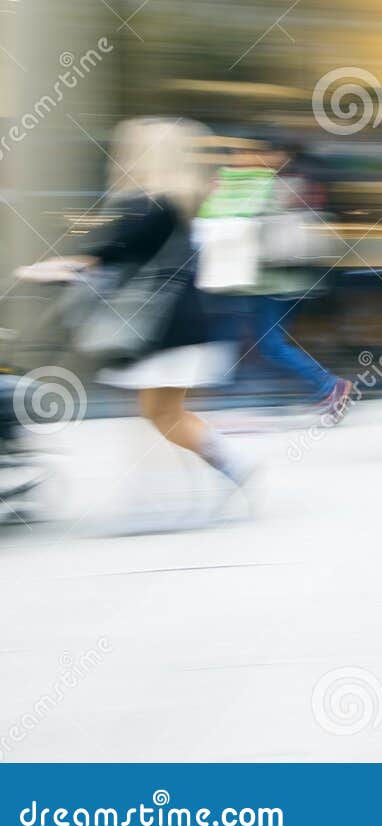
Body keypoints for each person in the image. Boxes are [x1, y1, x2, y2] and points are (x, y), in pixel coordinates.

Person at [49, 119, 254, 529]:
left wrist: (61, 265)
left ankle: (204, 478)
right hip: (183, 326)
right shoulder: (175, 204)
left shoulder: (150, 204)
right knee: (160, 413)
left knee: (162, 415)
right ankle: (198, 481)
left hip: (162, 331)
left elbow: (112, 251)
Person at [197, 136, 352, 418]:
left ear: (274, 155)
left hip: (276, 283)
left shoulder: (275, 185)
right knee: (255, 339)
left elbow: (248, 227)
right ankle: (309, 389)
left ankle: (329, 386)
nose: (240, 157)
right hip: (265, 281)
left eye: (248, 152)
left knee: (269, 344)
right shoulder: (271, 183)